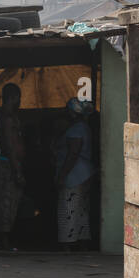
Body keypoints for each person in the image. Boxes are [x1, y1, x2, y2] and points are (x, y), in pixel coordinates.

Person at [54, 98, 96, 249]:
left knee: (68, 211)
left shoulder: (76, 129)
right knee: (81, 211)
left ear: (72, 113)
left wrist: (62, 176)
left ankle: (68, 246)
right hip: (84, 174)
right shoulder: (83, 127)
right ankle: (81, 244)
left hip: (74, 176)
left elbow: (73, 154)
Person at [0, 82, 27, 251]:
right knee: (5, 203)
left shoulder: (9, 116)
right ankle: (3, 241)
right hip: (8, 164)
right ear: (14, 97)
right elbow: (8, 144)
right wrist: (17, 169)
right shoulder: (5, 117)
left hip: (12, 163)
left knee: (11, 202)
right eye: (18, 98)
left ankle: (6, 240)